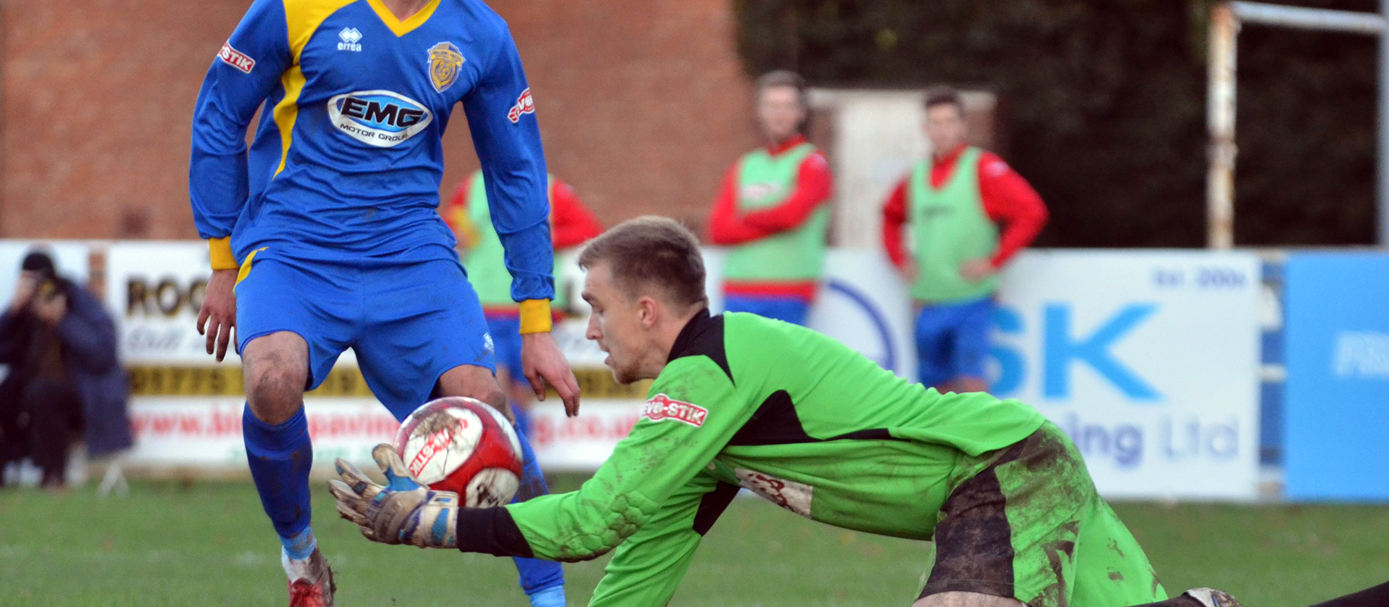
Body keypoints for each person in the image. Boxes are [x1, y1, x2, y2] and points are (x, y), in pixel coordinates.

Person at [330, 216, 1237, 607]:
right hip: (1004, 475)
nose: (589, 330)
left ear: (647, 311)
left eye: (595, 309)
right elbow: (637, 566)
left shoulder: (713, 371)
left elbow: (591, 521)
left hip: (1002, 470)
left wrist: (434, 524)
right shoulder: (706, 423)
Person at [188, 0, 580, 606]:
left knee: (487, 410)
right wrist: (222, 262)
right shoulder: (297, 1)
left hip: (409, 255)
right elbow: (217, 117)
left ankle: (550, 598)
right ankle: (302, 558)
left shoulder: (481, 34)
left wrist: (536, 320)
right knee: (271, 381)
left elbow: (516, 173)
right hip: (295, 247)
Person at [882, 91, 1047, 393]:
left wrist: (994, 260)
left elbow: (1031, 212)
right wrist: (899, 259)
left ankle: (981, 428)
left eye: (949, 122)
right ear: (925, 128)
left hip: (971, 298)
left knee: (972, 382)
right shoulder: (916, 176)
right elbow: (889, 215)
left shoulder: (983, 169)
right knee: (934, 389)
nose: (942, 130)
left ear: (962, 126)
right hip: (928, 299)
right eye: (935, 123)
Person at [445, 170, 602, 432]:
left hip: (535, 307)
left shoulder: (551, 188)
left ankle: (518, 447)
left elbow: (588, 229)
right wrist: (456, 235)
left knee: (522, 389)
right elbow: (448, 228)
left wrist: (545, 238)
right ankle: (513, 447)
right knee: (492, 386)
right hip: (483, 305)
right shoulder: (471, 186)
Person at [0, 250, 131, 488]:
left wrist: (62, 320)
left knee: (43, 393)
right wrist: (12, 310)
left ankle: (53, 475)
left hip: (80, 393)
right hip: (29, 389)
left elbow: (102, 355)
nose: (37, 291)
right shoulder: (23, 312)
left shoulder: (80, 301)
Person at [707, 70, 831, 326]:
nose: (779, 114)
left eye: (787, 106)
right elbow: (719, 229)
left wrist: (746, 218)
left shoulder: (812, 162)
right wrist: (772, 219)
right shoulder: (744, 166)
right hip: (738, 288)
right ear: (759, 111)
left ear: (801, 112)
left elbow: (791, 216)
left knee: (783, 355)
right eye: (772, 106)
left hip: (789, 290)